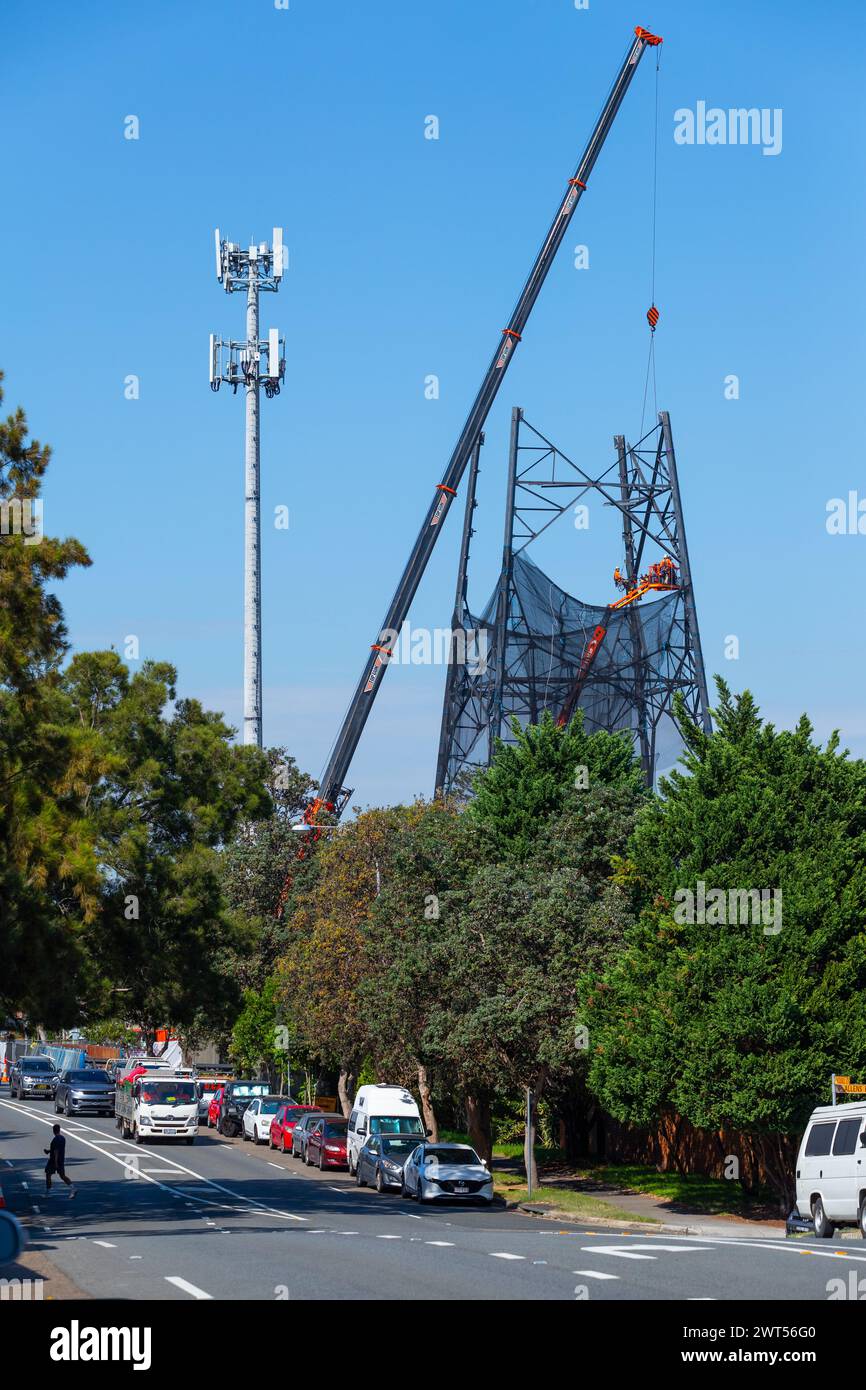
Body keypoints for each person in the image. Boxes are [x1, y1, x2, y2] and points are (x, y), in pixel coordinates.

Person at [44, 1123, 75, 1198]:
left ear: (53, 1131)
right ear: (59, 1130)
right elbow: (57, 1149)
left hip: (54, 1161)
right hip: (61, 1160)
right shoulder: (62, 1138)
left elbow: (56, 1151)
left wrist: (55, 1162)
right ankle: (73, 1188)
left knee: (48, 1174)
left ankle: (48, 1193)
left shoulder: (55, 1139)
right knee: (62, 1176)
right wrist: (48, 1151)